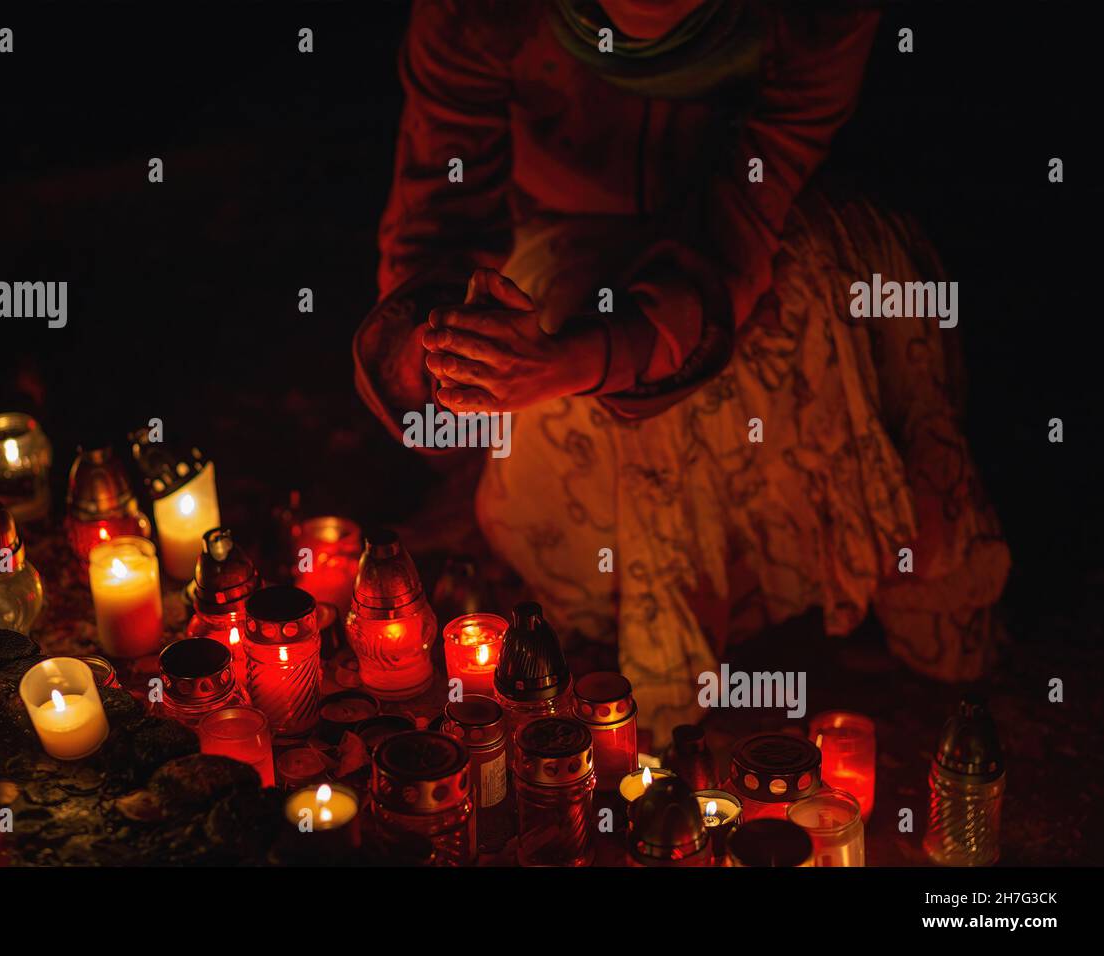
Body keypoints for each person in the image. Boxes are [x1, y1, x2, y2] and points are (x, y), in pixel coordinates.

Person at [354, 0, 1009, 741]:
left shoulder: (815, 19)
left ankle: (788, 584)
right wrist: (448, 349)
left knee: (812, 285)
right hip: (559, 237)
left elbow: (741, 226)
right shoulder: (478, 14)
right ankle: (632, 605)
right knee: (554, 307)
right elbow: (439, 206)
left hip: (769, 235)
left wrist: (579, 360)